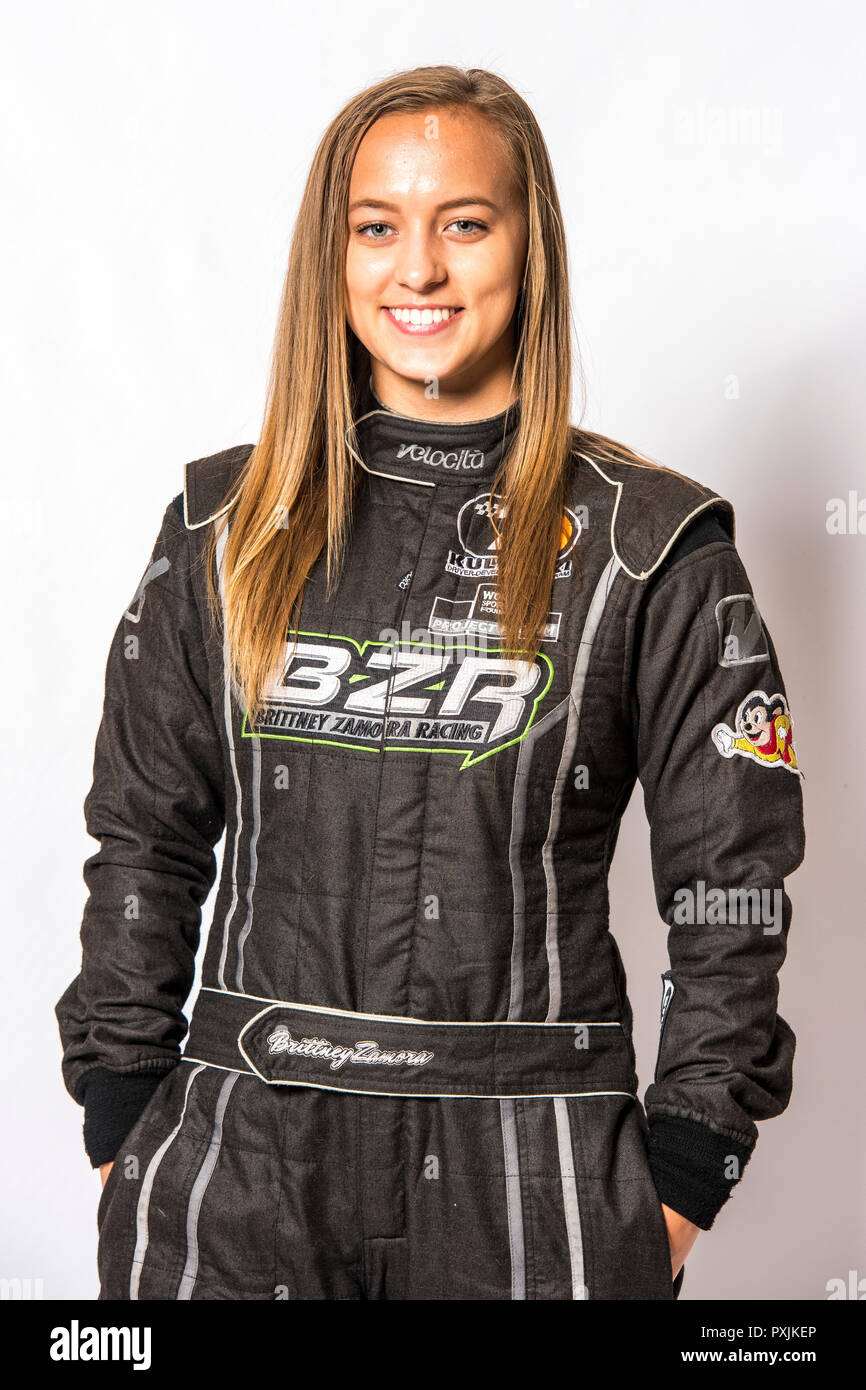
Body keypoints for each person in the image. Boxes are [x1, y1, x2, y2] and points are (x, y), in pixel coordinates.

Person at [55, 64, 806, 1301]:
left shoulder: (653, 548)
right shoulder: (221, 527)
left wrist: (682, 1170)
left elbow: (731, 885)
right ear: (332, 256)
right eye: (376, 227)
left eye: (463, 222)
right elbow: (143, 838)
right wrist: (121, 1111)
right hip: (237, 1170)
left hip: (539, 1175)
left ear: (529, 246)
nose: (418, 270)